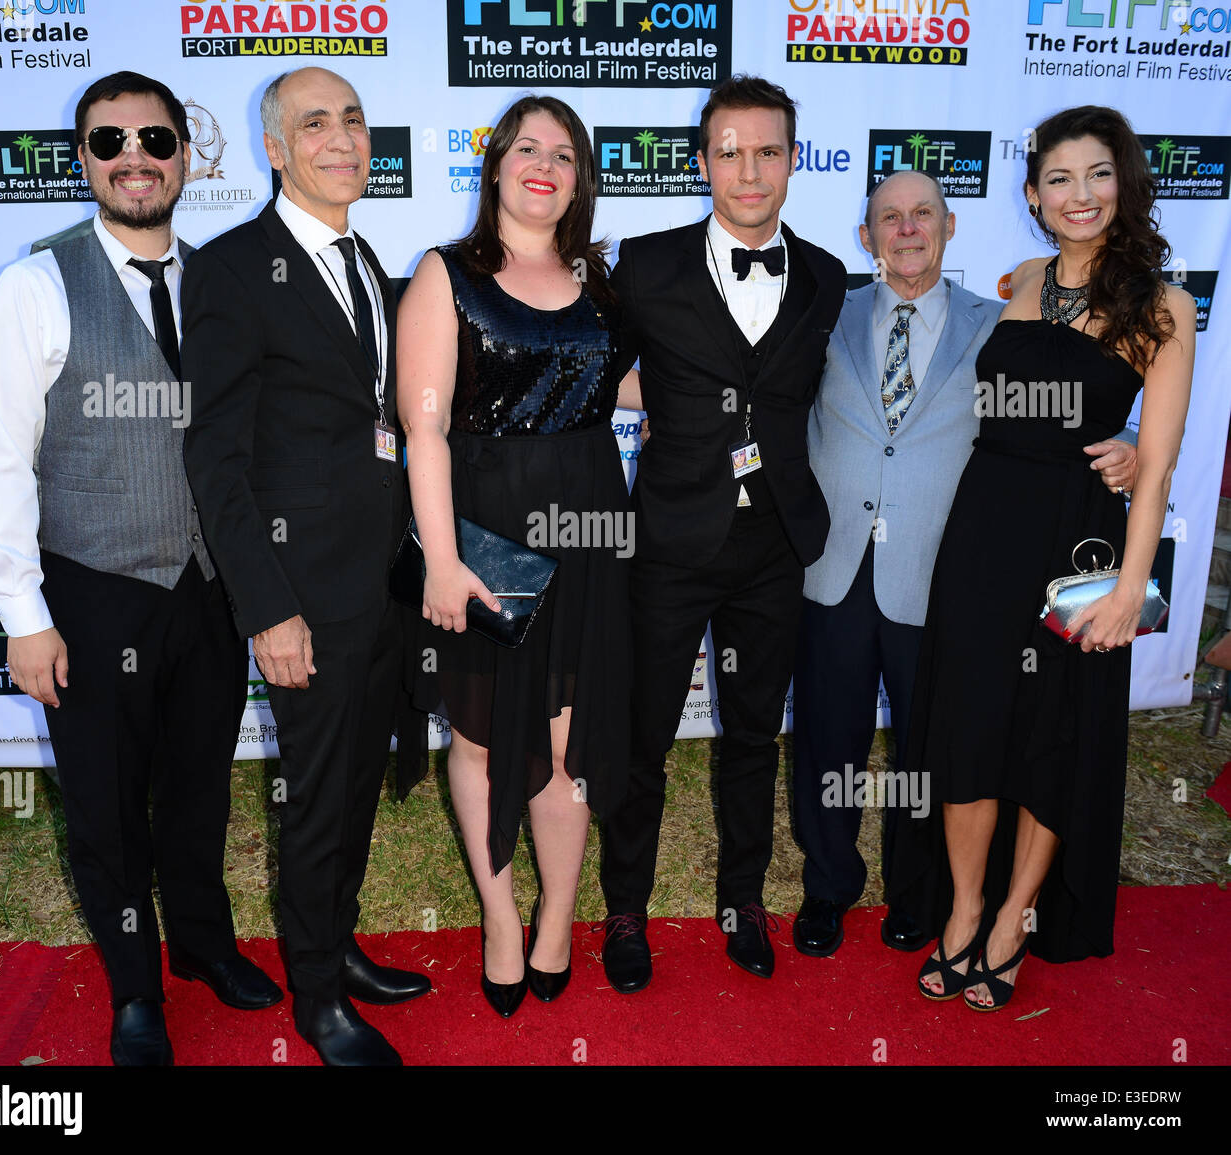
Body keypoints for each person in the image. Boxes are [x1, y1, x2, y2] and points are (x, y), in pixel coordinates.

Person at [0, 71, 281, 1066]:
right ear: (84, 159)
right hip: (94, 592)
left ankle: (202, 947)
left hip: (211, 590)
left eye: (154, 138)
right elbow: (2, 461)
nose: (133, 157)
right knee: (105, 803)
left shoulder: (223, 283)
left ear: (188, 155)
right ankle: (137, 988)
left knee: (198, 787)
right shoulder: (36, 283)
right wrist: (24, 617)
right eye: (110, 142)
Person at [889, 105, 1194, 1011]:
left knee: (1054, 732)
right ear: (1032, 196)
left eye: (1098, 174)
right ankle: (965, 908)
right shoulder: (1016, 281)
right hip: (985, 530)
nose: (1080, 194)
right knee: (968, 726)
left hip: (1084, 541)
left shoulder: (1163, 306)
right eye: (1059, 178)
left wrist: (1132, 586)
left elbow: (1161, 462)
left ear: (1125, 183)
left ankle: (1018, 915)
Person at [791, 170, 1137, 958]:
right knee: (826, 740)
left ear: (949, 229)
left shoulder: (1003, 323)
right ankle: (828, 886)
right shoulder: (824, 315)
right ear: (865, 237)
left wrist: (1137, 445)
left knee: (932, 750)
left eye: (922, 216)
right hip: (834, 568)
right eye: (889, 218)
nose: (906, 230)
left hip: (948, 576)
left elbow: (1083, 401)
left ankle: (916, 893)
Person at [181, 67, 429, 1066]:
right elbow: (214, 456)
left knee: (358, 784)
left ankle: (338, 947)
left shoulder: (366, 257)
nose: (342, 139)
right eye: (314, 124)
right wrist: (267, 609)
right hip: (304, 596)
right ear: (273, 149)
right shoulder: (238, 267)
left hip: (379, 583)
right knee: (318, 797)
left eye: (355, 120)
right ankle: (318, 1001)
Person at [598, 75, 846, 990]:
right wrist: (668, 405)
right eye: (730, 152)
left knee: (752, 735)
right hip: (666, 543)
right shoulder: (647, 264)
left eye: (768, 151)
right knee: (641, 738)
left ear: (792, 158)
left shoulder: (824, 275)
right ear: (703, 162)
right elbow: (596, 374)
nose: (750, 170)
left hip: (773, 547)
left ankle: (741, 900)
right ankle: (627, 909)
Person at [398, 95, 640, 1017]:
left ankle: (557, 916)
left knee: (569, 737)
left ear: (581, 178)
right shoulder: (446, 275)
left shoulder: (604, 286)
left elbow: (638, 387)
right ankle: (500, 914)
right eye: (527, 147)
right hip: (486, 529)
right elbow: (424, 431)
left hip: (588, 531)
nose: (545, 164)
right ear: (495, 164)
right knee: (483, 730)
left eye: (565, 154)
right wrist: (442, 560)